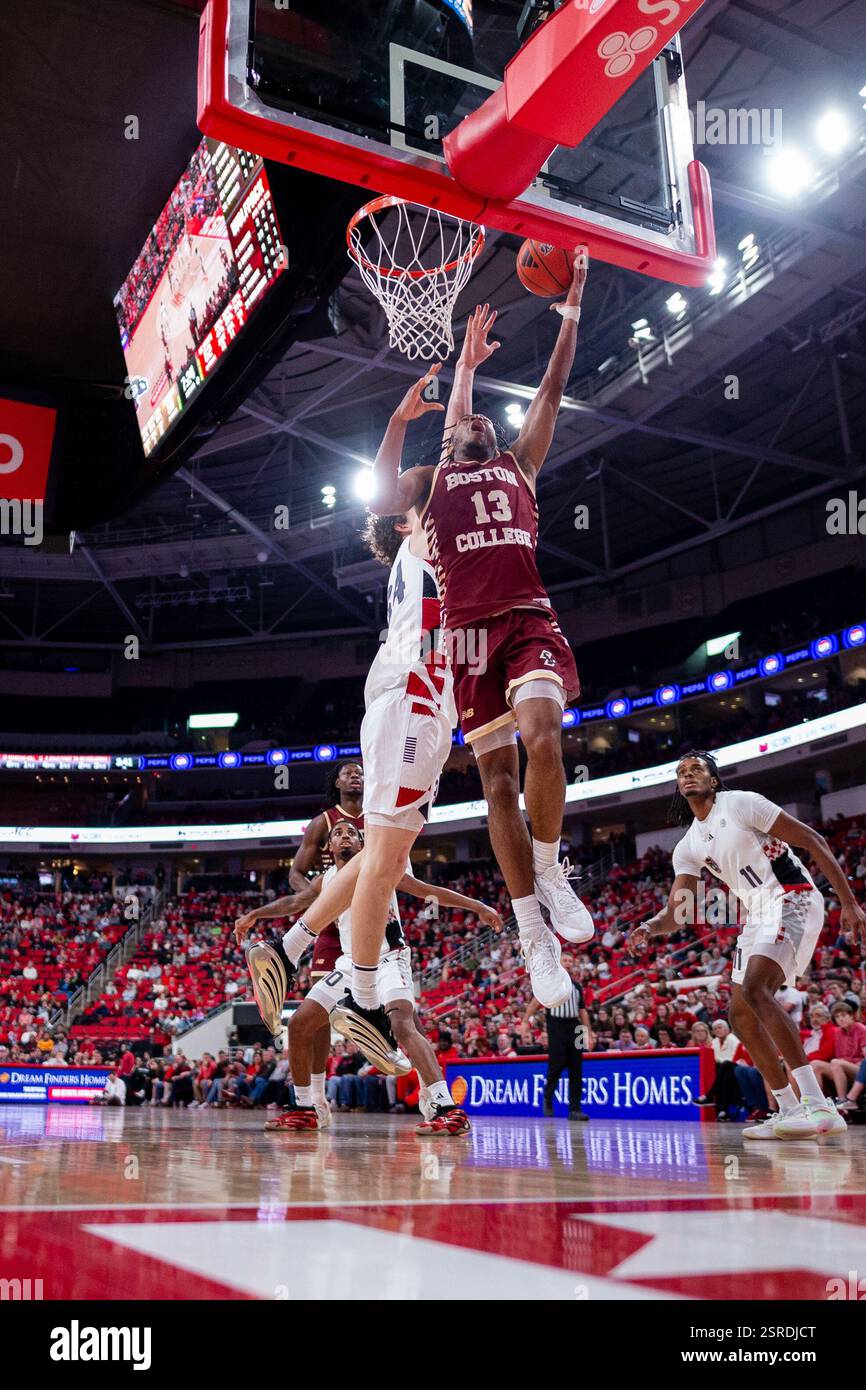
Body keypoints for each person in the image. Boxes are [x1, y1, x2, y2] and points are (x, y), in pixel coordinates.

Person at [365, 262, 596, 1009]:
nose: (478, 420)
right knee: (496, 782)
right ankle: (532, 936)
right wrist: (409, 416)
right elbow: (376, 494)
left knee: (546, 734)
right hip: (465, 639)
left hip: (527, 619)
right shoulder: (430, 484)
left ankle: (552, 868)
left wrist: (569, 311)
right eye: (466, 418)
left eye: (483, 419)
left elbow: (553, 393)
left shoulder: (520, 464)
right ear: (451, 432)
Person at [628, 750, 866, 1140]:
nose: (688, 775)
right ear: (677, 785)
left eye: (697, 770)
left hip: (792, 896)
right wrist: (650, 927)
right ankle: (788, 1109)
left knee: (757, 989)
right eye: (682, 772)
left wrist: (850, 902)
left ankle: (819, 1105)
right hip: (757, 914)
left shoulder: (742, 803)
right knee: (739, 1014)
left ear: (714, 780)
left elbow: (813, 839)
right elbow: (679, 910)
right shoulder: (688, 845)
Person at [238, 819, 501, 1134]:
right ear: (329, 847)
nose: (346, 835)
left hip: (389, 958)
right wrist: (256, 914)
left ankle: (446, 1107)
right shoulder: (325, 880)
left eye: (353, 833)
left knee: (403, 1025)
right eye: (338, 833)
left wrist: (476, 906)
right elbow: (295, 902)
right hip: (349, 964)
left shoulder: (381, 865)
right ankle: (305, 1107)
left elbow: (427, 892)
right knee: (299, 1024)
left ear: (362, 844)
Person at [524, 951, 590, 1120]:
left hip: (575, 1027)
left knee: (577, 1068)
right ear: (558, 962)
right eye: (565, 960)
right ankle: (548, 1098)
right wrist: (525, 1021)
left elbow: (582, 1011)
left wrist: (587, 1032)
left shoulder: (576, 987)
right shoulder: (550, 982)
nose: (568, 963)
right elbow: (535, 1002)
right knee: (557, 1064)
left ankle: (575, 1109)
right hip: (556, 1024)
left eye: (570, 961)